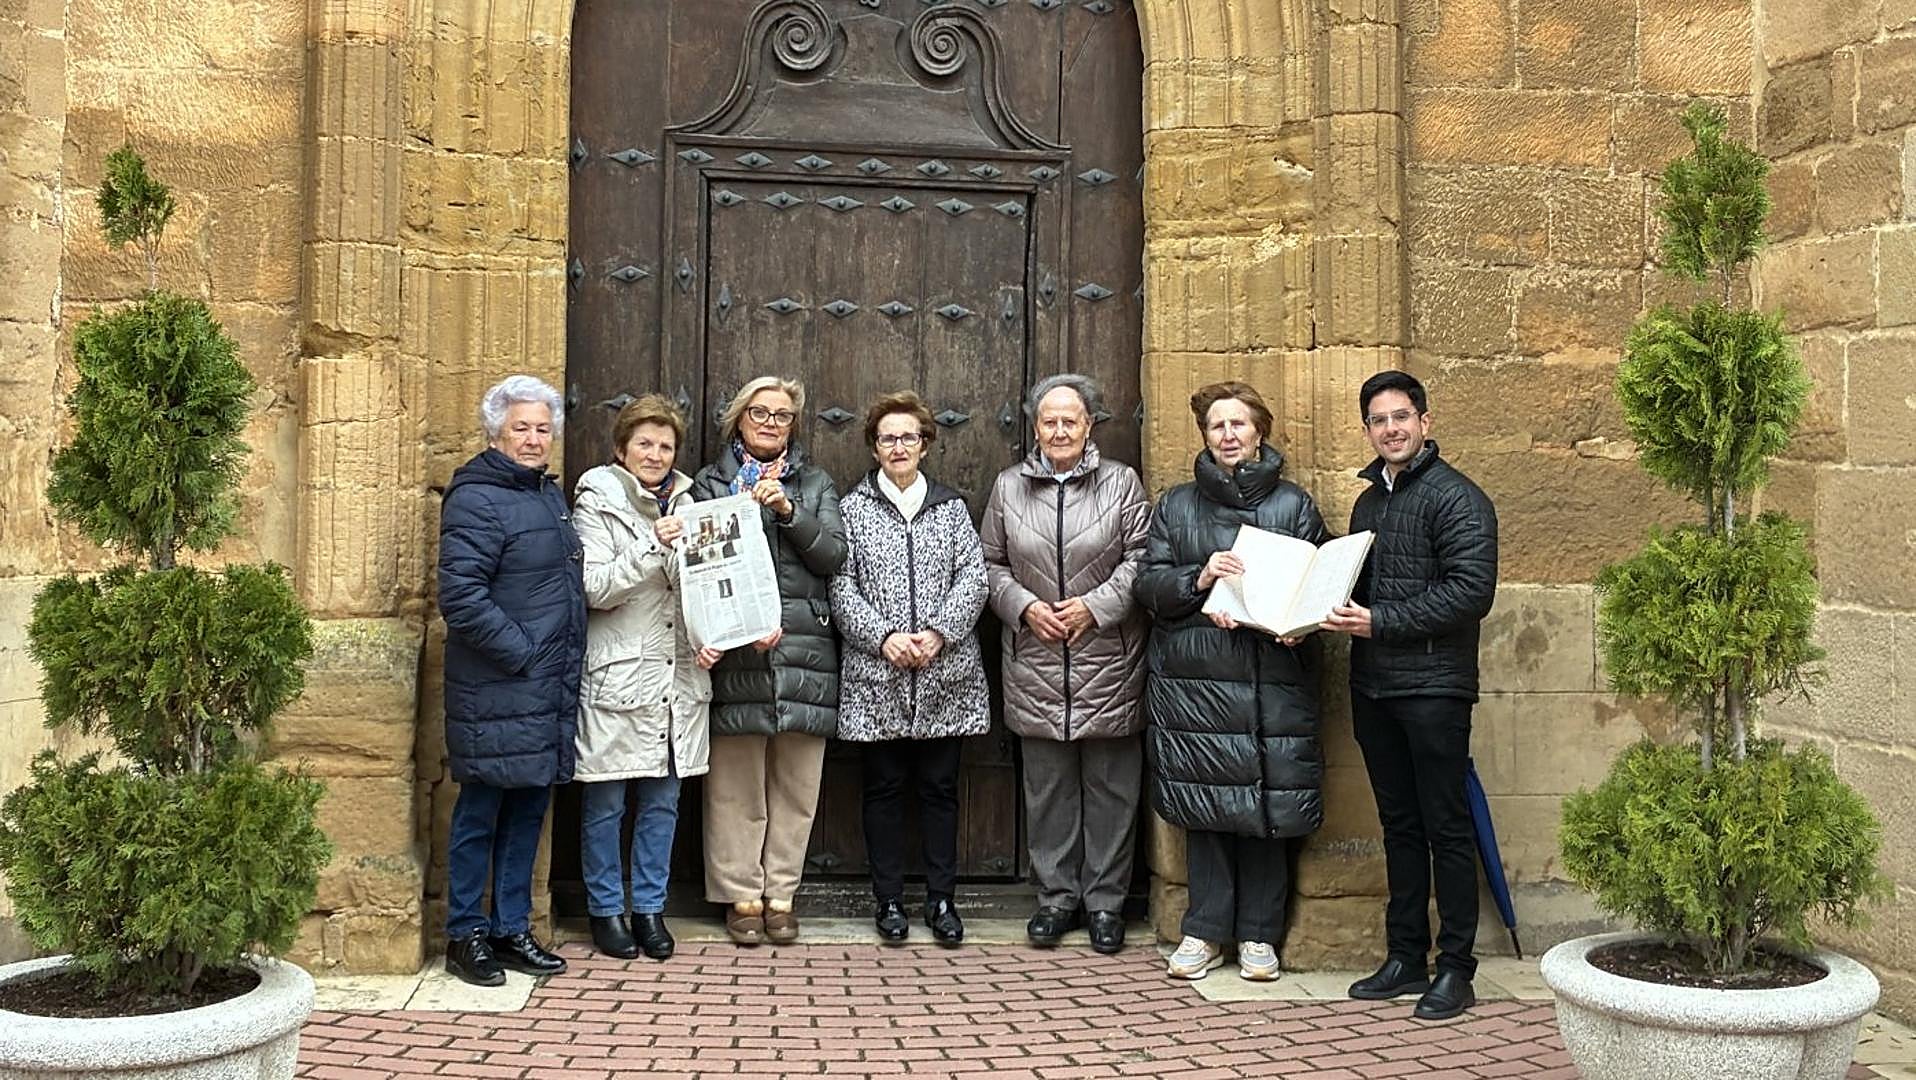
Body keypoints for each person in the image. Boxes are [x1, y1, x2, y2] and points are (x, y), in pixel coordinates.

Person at [1134, 380, 1327, 982]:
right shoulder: (1176, 506)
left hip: (1271, 676)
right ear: (1205, 436)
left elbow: (1323, 581)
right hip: (1198, 681)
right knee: (1209, 805)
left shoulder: (1293, 506)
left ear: (1260, 431)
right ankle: (1204, 929)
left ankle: (1260, 935)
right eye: (1217, 426)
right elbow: (1148, 585)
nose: (1228, 435)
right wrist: (1200, 578)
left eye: (1239, 424)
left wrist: (1301, 624)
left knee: (1267, 806)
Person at [1324, 370, 1498, 1021]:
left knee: (1445, 828)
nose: (1390, 429)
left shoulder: (1460, 499)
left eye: (1401, 416)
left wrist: (1378, 623)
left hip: (1434, 691)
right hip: (1375, 688)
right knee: (1399, 825)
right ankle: (1405, 956)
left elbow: (1469, 593)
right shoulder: (1370, 502)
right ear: (1368, 429)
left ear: (1424, 421)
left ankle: (1456, 968)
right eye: (1378, 420)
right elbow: (1359, 584)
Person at [980, 374, 1150, 954]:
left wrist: (1095, 607)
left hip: (1108, 659)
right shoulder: (1009, 488)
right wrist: (1025, 609)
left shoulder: (1121, 484)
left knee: (1111, 789)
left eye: (1069, 421)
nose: (1058, 430)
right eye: (1048, 421)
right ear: (1034, 428)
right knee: (1047, 789)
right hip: (1035, 657)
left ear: (1089, 425)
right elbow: (990, 565)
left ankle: (1105, 903)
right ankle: (1055, 898)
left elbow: (1140, 559)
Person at [436, 374, 585, 987]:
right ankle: (465, 933)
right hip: (500, 684)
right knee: (481, 810)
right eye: (520, 427)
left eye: (542, 428)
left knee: (528, 808)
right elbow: (462, 597)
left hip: (543, 686)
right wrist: (523, 654)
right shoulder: (477, 496)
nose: (532, 438)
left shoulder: (545, 495)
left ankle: (511, 928)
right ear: (496, 431)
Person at [830, 392, 989, 947]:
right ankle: (889, 898)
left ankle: (943, 899)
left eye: (908, 437)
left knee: (941, 789)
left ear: (925, 444)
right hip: (879, 676)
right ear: (874, 448)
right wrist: (883, 637)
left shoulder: (951, 508)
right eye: (887, 438)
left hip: (947, 676)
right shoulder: (851, 510)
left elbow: (974, 578)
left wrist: (940, 633)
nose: (898, 447)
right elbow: (840, 583)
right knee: (884, 788)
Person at [692, 376, 848, 946]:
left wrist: (788, 510)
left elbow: (832, 554)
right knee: (735, 784)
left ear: (793, 425)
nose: (769, 423)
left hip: (804, 648)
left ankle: (781, 892)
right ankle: (741, 894)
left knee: (796, 782)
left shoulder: (814, 482)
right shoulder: (709, 485)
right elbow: (700, 568)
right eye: (759, 412)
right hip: (736, 652)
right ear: (738, 418)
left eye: (781, 416)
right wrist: (734, 631)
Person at [572, 394, 722, 962]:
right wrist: (652, 543)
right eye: (645, 444)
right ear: (622, 448)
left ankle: (650, 910)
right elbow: (595, 587)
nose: (656, 454)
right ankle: (607, 911)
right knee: (606, 803)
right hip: (620, 675)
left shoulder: (693, 502)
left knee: (663, 803)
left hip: (678, 675)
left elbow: (705, 587)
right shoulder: (597, 499)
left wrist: (713, 635)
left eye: (665, 445)